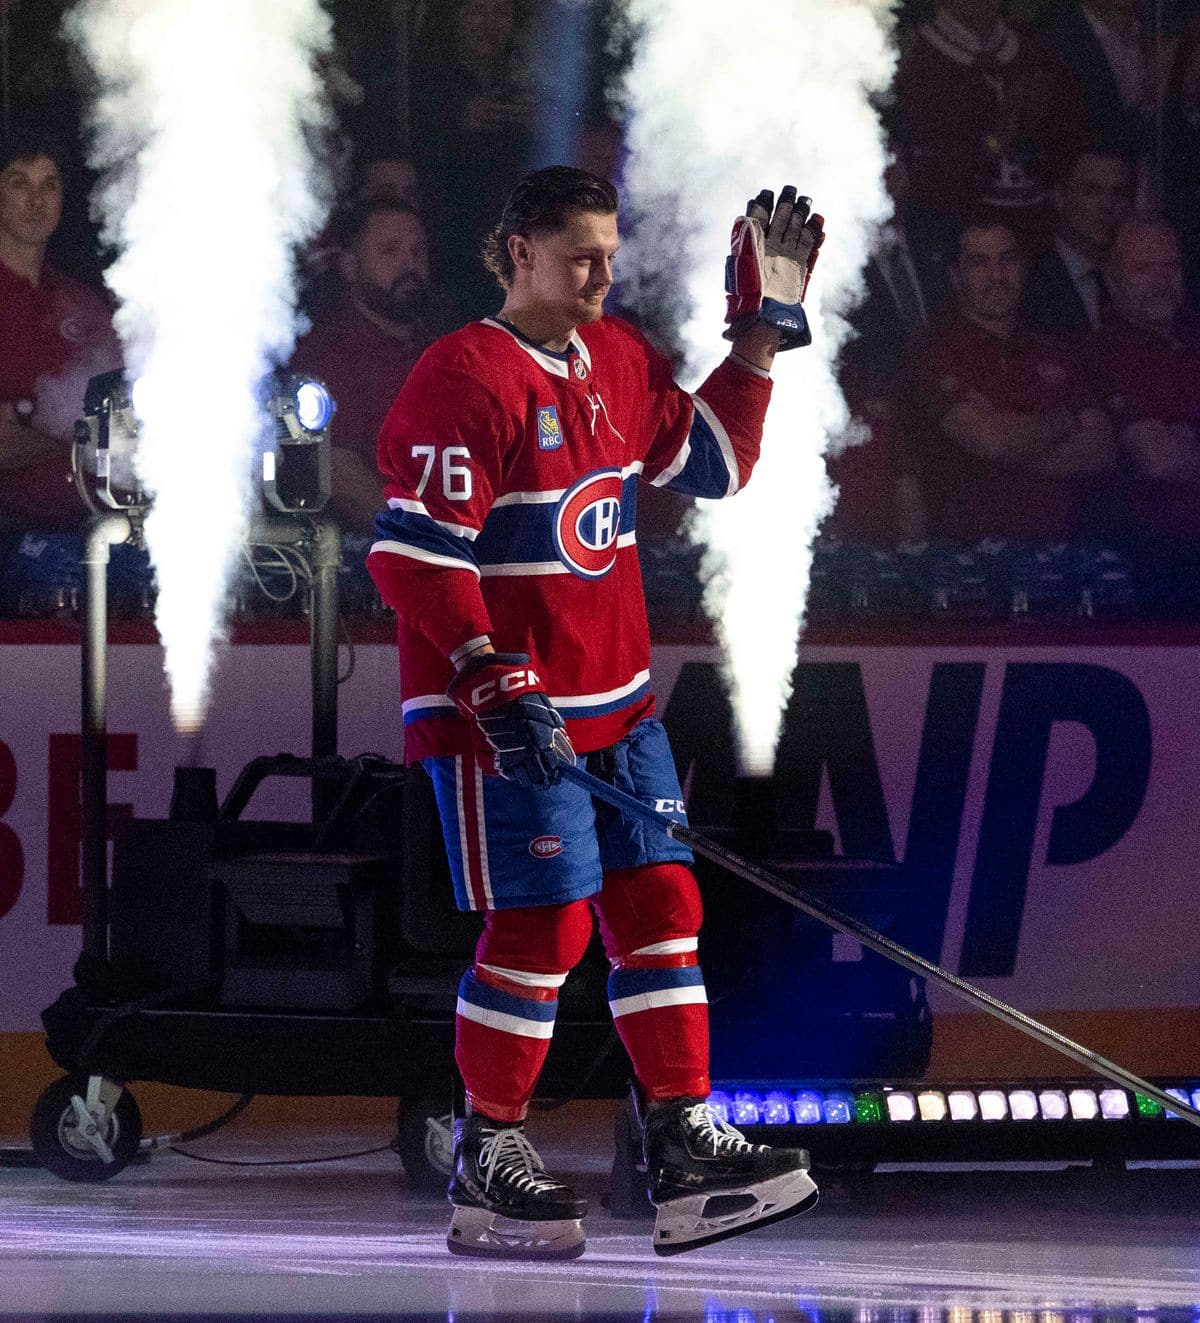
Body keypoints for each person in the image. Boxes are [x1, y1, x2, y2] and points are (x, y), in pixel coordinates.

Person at [367, 166, 823, 1259]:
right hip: (503, 715)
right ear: (518, 250)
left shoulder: (613, 359)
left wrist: (758, 339)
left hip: (617, 705)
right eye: (581, 257)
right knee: (544, 924)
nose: (603, 276)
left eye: (612, 255)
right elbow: (409, 557)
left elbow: (710, 464)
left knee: (662, 901)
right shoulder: (462, 376)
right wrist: (487, 674)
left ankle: (683, 1143)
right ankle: (490, 1155)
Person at [908, 217, 1114, 543]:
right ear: (955, 276)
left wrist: (1013, 446)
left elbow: (1101, 449)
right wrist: (1064, 419)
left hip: (1066, 560)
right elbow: (991, 440)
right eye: (980, 263)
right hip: (969, 567)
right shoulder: (935, 351)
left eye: (1007, 260)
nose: (997, 275)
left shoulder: (1055, 350)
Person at [290, 199, 439, 536]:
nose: (409, 264)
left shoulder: (441, 351)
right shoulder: (326, 353)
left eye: (418, 252)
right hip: (372, 564)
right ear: (349, 265)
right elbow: (338, 471)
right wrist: (422, 541)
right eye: (389, 251)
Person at [0, 129, 120, 532]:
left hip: (100, 527)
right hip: (15, 539)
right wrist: (77, 451)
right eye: (20, 184)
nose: (37, 200)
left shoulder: (82, 301)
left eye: (50, 185)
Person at [1084, 218, 1200, 608]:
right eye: (1143, 268)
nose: (1160, 279)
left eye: (1169, 266)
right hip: (1152, 562)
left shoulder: (1191, 341)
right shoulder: (1106, 352)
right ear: (1112, 280)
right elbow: (1159, 459)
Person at [1023, 146, 1134, 334]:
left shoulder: (1137, 273)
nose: (1107, 205)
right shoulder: (1030, 281)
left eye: (1118, 192)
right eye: (1091, 191)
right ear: (1060, 196)